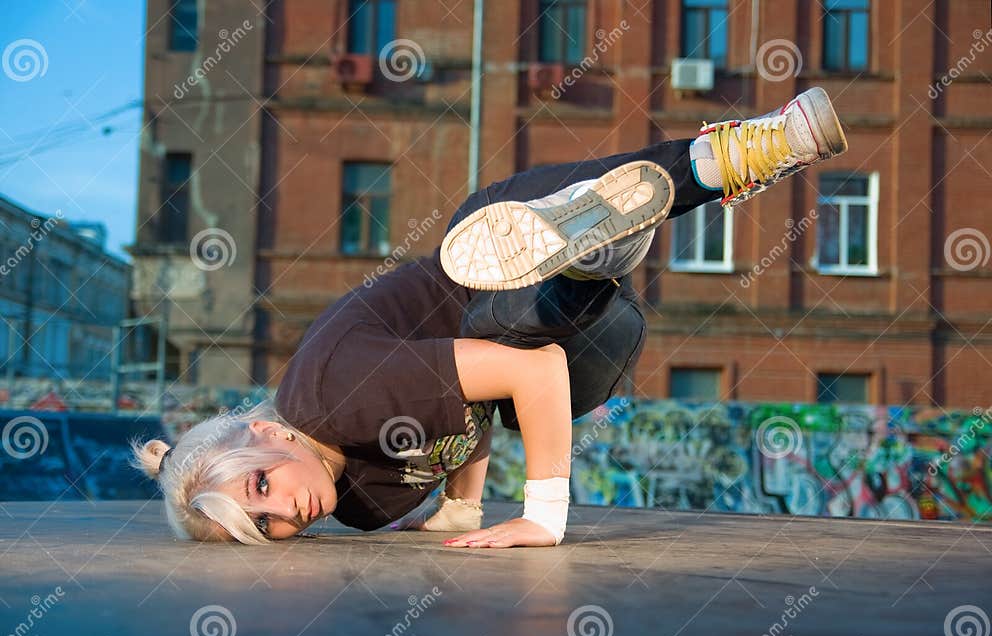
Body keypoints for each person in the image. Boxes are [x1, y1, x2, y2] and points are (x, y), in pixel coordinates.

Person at [132, 88, 848, 548]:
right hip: (589, 343)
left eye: (262, 487)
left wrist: (543, 513)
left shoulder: (335, 393)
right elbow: (459, 426)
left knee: (497, 290)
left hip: (507, 279)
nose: (287, 514)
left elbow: (529, 369)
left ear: (262, 431)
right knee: (538, 373)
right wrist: (461, 509)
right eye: (265, 527)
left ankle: (709, 171)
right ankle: (596, 252)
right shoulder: (358, 505)